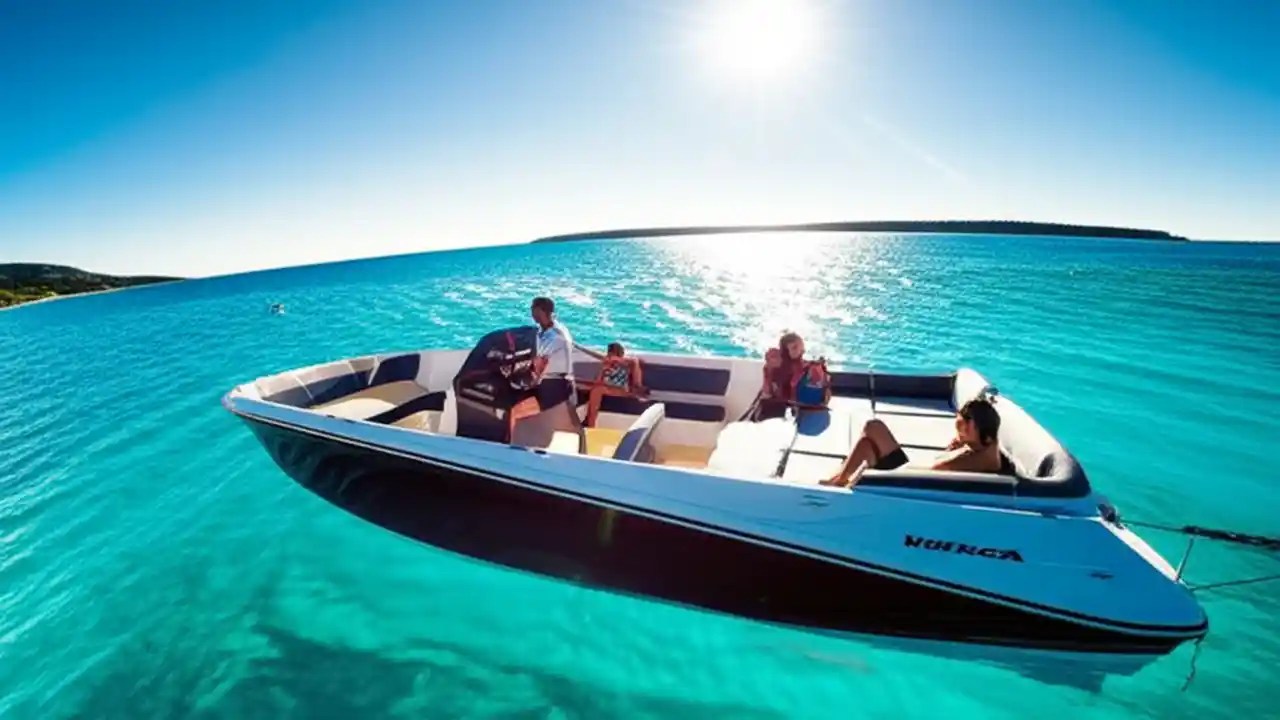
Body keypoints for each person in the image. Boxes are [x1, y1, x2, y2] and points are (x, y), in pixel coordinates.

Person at [821, 397, 1004, 487]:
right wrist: (959, 444)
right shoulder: (982, 443)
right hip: (913, 476)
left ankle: (836, 485)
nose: (960, 422)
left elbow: (935, 471)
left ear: (986, 435)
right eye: (962, 416)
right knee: (870, 437)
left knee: (872, 433)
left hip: (906, 484)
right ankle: (838, 481)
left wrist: (952, 451)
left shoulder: (981, 458)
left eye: (967, 421)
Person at [754, 332, 830, 419]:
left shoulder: (812, 368)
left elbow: (824, 395)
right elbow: (767, 393)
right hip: (784, 411)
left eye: (796, 347)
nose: (796, 350)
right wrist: (769, 369)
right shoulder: (774, 368)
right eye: (793, 348)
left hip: (804, 412)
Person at [529, 296, 578, 412]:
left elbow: (539, 361)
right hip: (550, 382)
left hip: (556, 385)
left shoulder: (556, 335)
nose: (531, 313)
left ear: (541, 311)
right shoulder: (543, 330)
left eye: (533, 309)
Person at [583, 342, 646, 426]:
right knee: (595, 390)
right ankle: (589, 421)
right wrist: (605, 368)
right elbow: (599, 380)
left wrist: (615, 360)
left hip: (623, 390)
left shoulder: (629, 363)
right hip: (609, 388)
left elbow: (635, 363)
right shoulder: (607, 364)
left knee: (597, 391)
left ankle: (590, 423)